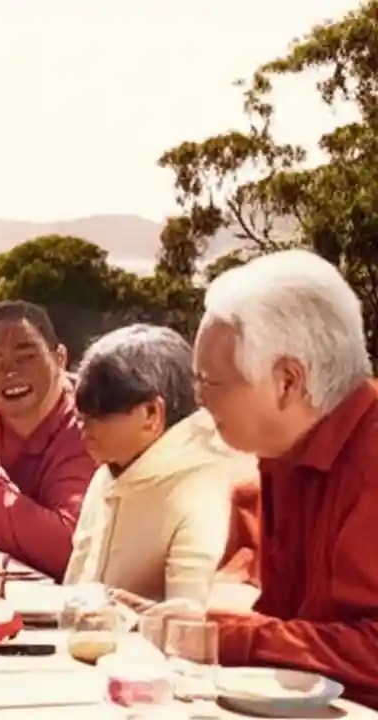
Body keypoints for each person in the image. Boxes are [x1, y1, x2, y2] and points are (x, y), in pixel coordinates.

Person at [147, 250, 378, 706]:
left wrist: (229, 637)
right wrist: (202, 623)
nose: (200, 401)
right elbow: (289, 623)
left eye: (211, 383)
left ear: (288, 381)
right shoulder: (284, 453)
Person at [63, 324, 258, 604]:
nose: (83, 430)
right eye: (81, 418)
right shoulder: (111, 469)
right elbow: (73, 590)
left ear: (152, 413)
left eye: (97, 416)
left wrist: (137, 618)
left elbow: (191, 628)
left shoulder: (203, 491)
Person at [0, 301, 97, 579]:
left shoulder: (86, 427)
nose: (11, 372)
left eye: (26, 356)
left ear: (60, 358)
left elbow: (69, 549)